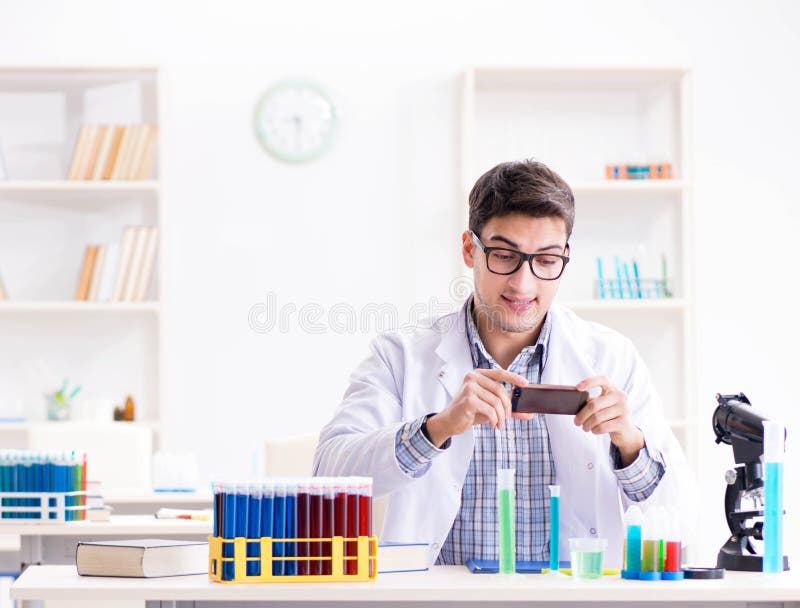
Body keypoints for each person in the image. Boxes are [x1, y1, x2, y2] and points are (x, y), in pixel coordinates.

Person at [313, 159, 694, 567]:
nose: (522, 284)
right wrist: (437, 428)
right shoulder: (401, 356)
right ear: (468, 249)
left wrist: (630, 444)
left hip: (570, 599)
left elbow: (682, 516)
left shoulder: (611, 357)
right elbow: (328, 475)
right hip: (444, 601)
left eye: (546, 260)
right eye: (503, 255)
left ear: (564, 257)